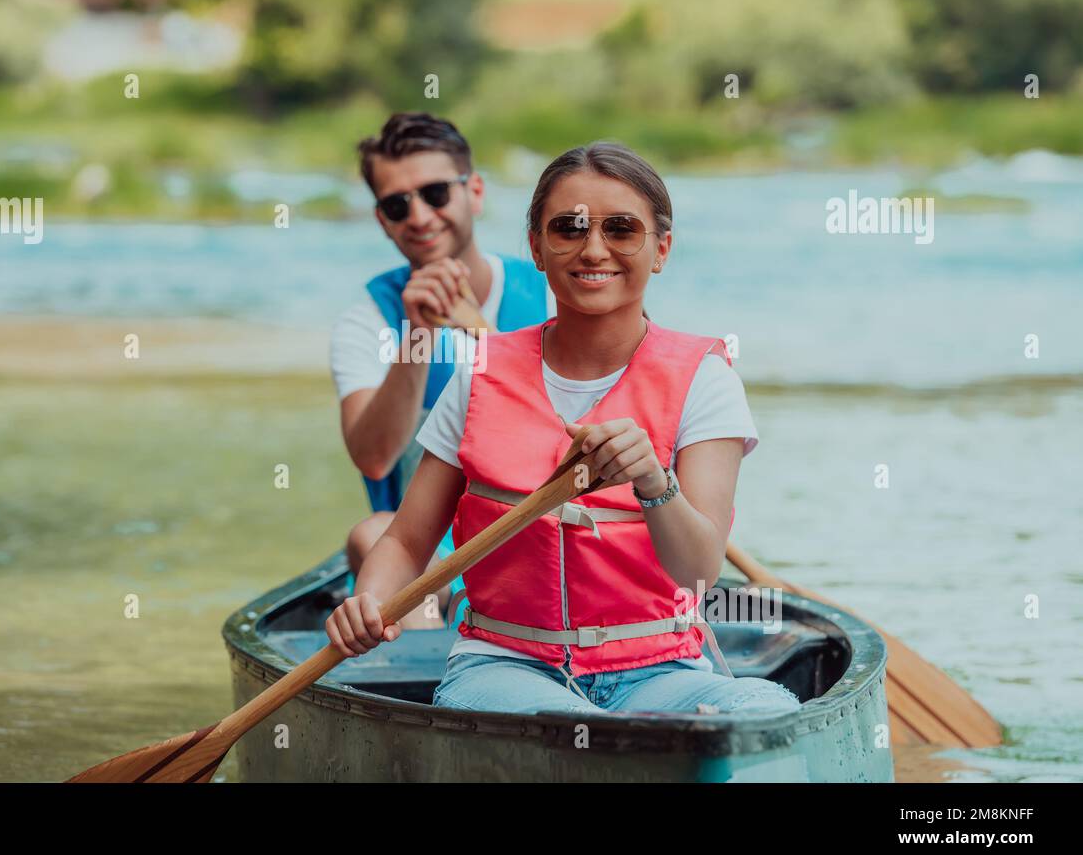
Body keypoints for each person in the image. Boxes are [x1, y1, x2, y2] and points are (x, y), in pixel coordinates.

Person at [325, 141, 801, 717]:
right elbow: (406, 540)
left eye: (622, 229)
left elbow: (699, 570)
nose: (593, 248)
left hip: (663, 672)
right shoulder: (479, 374)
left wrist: (654, 481)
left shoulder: (705, 379)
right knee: (575, 729)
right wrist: (368, 602)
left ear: (661, 249)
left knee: (766, 709)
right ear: (538, 249)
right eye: (568, 229)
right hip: (504, 668)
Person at [330, 113, 551, 629]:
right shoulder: (367, 321)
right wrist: (419, 334)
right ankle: (435, 668)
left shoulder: (552, 293)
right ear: (382, 219)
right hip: (427, 555)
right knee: (369, 534)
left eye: (434, 193)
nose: (420, 216)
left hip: (542, 533)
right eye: (397, 204)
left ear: (474, 191)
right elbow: (376, 458)